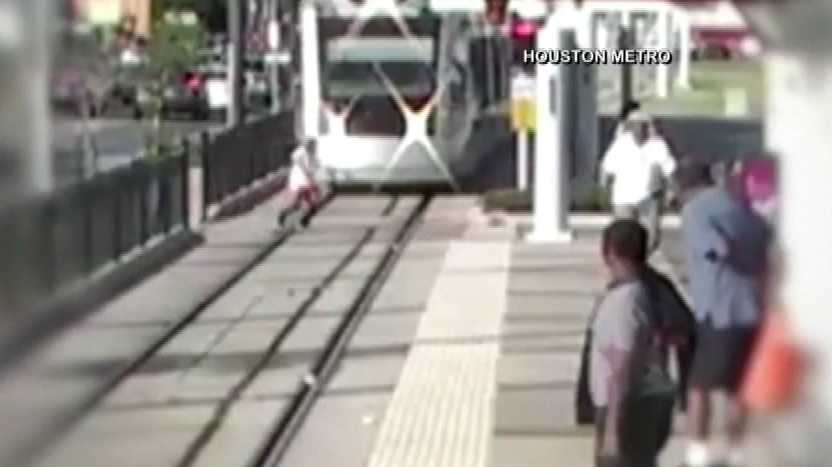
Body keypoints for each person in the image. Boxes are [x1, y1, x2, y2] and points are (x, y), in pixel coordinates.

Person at [675, 161, 773, 467]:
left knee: (699, 389)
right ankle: (735, 453)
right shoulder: (743, 207)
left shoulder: (696, 212)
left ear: (682, 186)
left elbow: (716, 248)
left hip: (719, 312)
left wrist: (723, 252)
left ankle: (698, 458)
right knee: (738, 390)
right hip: (753, 310)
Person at [590, 219, 682, 467]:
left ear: (609, 252)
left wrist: (611, 431)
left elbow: (620, 368)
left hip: (625, 410)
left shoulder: (624, 303)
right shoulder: (653, 288)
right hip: (649, 404)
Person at [601, 111, 676, 254]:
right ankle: (632, 263)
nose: (641, 129)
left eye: (644, 125)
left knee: (652, 238)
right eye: (636, 125)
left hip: (650, 198)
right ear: (631, 127)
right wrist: (603, 188)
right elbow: (606, 168)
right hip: (624, 198)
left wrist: (671, 191)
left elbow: (669, 169)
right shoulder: (621, 144)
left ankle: (642, 259)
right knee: (626, 236)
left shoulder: (658, 145)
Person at [278, 138, 321, 228]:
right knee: (296, 205)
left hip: (308, 181)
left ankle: (304, 221)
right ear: (306, 145)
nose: (313, 147)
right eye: (311, 145)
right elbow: (299, 162)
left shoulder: (312, 154)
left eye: (314, 146)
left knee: (313, 204)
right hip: (299, 180)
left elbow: (316, 166)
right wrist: (307, 171)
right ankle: (283, 215)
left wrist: (313, 177)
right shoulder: (300, 152)